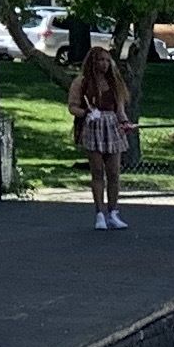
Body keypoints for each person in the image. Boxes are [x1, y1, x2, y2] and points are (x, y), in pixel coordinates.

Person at [70, 40, 137, 228]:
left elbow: (120, 110)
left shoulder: (115, 83)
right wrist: (86, 113)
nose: (104, 64)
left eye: (107, 61)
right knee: (97, 172)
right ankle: (100, 213)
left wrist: (125, 123)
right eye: (100, 60)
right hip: (93, 128)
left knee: (114, 172)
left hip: (112, 126)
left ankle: (113, 212)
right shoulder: (81, 82)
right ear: (93, 62)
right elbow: (72, 107)